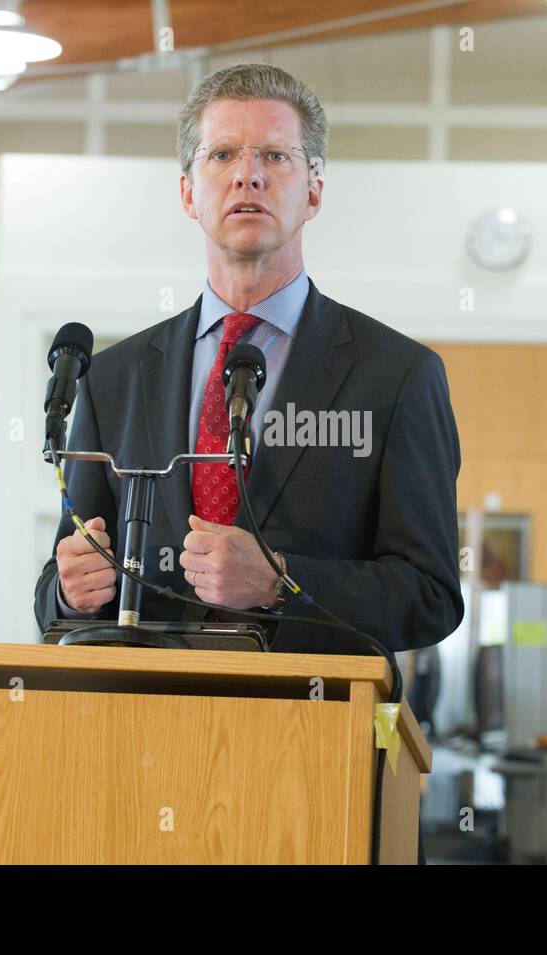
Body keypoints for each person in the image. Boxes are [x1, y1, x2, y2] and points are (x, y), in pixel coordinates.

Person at [32, 62, 464, 656]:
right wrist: (68, 592)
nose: (248, 177)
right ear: (188, 191)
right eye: (223, 156)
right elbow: (61, 582)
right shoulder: (113, 378)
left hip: (310, 730)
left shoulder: (397, 376)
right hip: (141, 727)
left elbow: (431, 595)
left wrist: (280, 581)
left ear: (313, 189)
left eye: (275, 157)